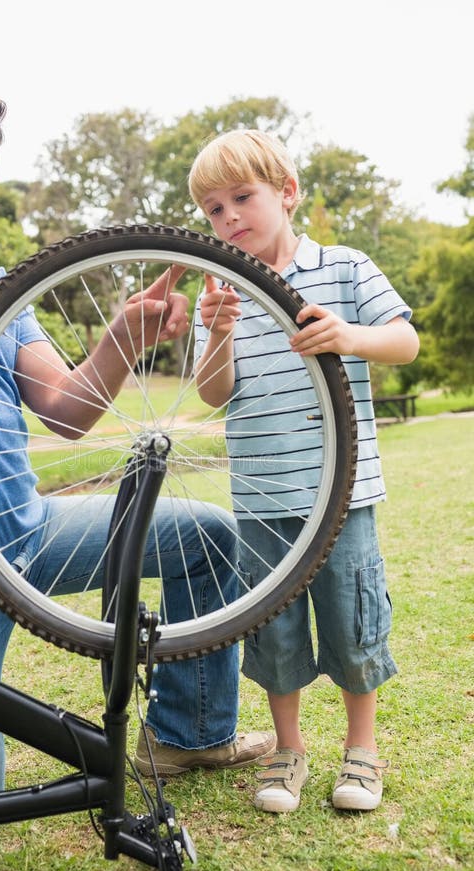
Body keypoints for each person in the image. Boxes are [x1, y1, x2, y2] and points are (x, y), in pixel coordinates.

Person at [0, 82, 274, 809]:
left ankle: (190, 734)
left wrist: (124, 334)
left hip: (30, 537)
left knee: (209, 536)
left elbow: (66, 410)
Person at [188, 129, 419, 813]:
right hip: (262, 496)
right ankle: (287, 750)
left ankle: (362, 749)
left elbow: (404, 340)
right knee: (274, 628)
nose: (229, 217)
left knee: (352, 618)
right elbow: (212, 392)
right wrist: (219, 331)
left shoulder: (344, 268)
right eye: (213, 209)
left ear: (287, 193)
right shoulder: (222, 291)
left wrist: (348, 335)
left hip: (343, 492)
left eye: (242, 197)